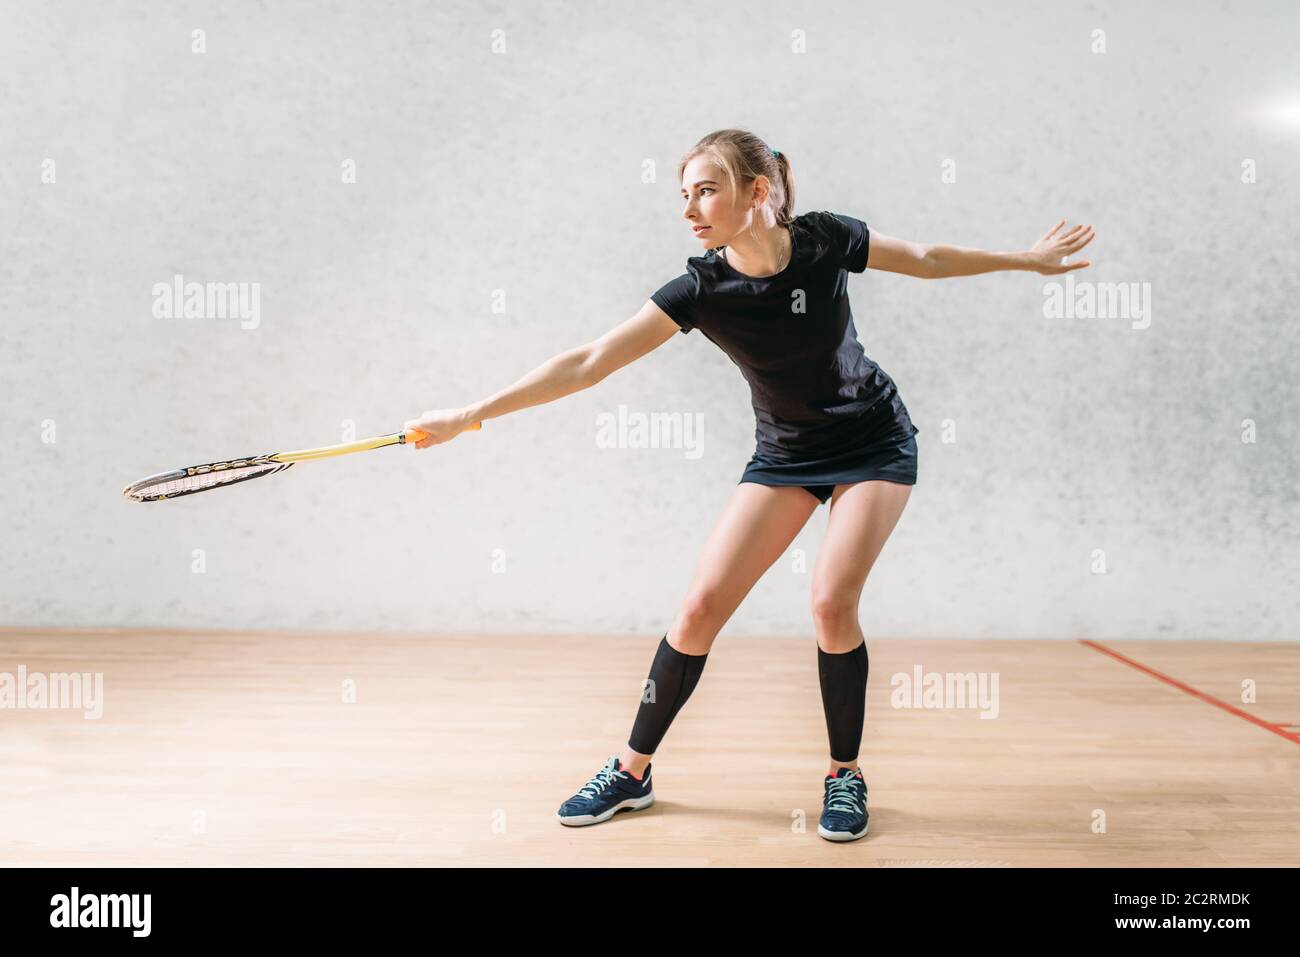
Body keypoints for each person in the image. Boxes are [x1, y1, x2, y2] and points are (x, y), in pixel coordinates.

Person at [404, 128, 1094, 842]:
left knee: (831, 602)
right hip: (786, 455)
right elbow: (590, 361)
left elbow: (924, 258)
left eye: (706, 190)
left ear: (757, 192)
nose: (690, 209)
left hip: (872, 442)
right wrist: (469, 415)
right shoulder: (702, 288)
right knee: (700, 605)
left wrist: (1027, 260)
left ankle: (845, 775)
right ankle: (633, 770)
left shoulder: (828, 241)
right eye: (685, 194)